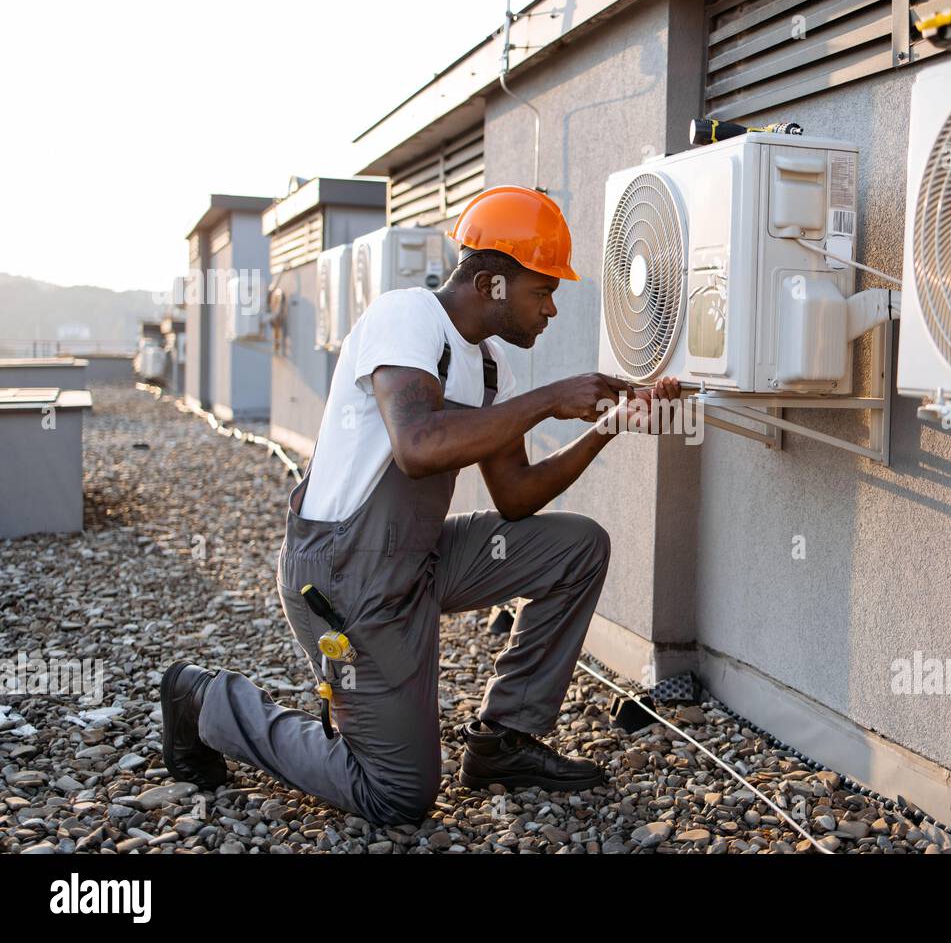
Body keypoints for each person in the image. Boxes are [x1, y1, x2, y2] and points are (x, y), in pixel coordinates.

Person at [158, 185, 680, 825]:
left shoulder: (491, 369)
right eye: (541, 292)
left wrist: (609, 424)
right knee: (397, 795)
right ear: (491, 282)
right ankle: (205, 703)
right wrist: (549, 399)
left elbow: (514, 498)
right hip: (347, 573)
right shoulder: (408, 317)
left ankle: (503, 741)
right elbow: (416, 446)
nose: (549, 311)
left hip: (418, 558)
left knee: (577, 546)